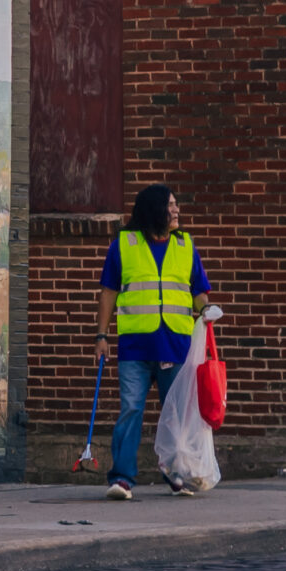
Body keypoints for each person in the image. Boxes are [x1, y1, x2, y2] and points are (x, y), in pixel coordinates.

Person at [97, 185, 213, 499]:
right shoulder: (124, 245)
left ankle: (177, 475)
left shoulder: (185, 245)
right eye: (170, 205)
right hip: (135, 347)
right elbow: (108, 292)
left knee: (176, 414)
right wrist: (102, 335)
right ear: (154, 210)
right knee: (131, 410)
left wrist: (207, 310)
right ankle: (122, 479)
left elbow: (198, 290)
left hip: (175, 345)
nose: (176, 211)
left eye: (176, 204)